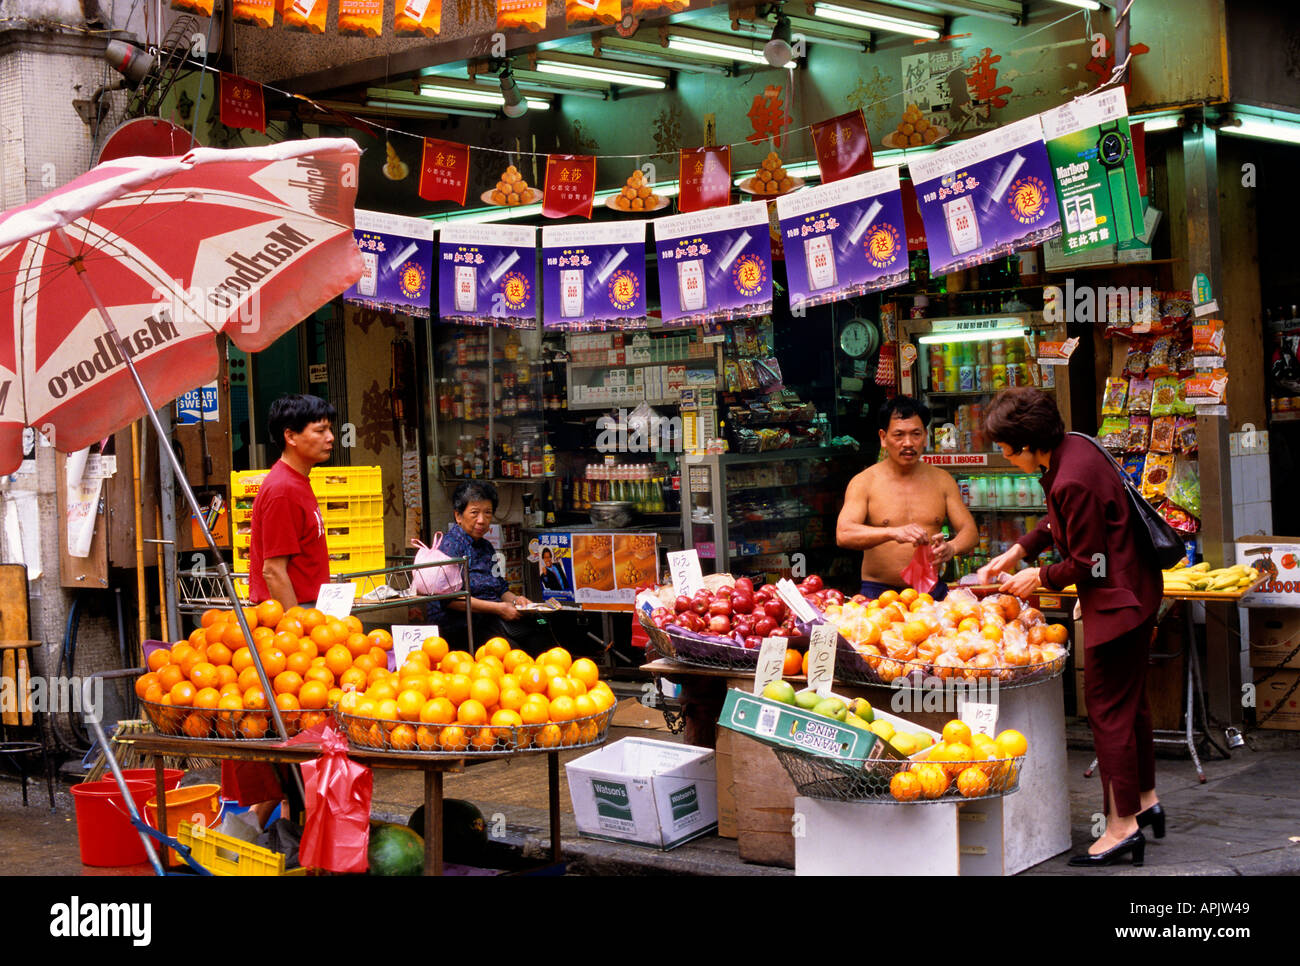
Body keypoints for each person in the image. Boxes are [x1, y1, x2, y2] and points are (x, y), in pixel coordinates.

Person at [976, 387, 1163, 868]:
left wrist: (1038, 577)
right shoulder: (1074, 448)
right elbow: (1062, 520)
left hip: (1119, 602)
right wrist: (1021, 550)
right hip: (1136, 591)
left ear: (1024, 444)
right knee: (1131, 703)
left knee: (1107, 711)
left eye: (1004, 447)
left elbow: (1087, 560)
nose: (1003, 455)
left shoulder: (1070, 479)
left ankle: (1121, 828)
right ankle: (1144, 799)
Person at [836, 396, 977, 601]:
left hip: (930, 591)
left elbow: (970, 532)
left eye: (916, 434)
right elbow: (844, 533)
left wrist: (951, 547)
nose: (908, 443)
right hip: (879, 593)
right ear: (883, 438)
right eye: (899, 435)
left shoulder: (942, 480)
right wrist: (893, 532)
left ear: (926, 436)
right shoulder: (864, 482)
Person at [426, 480, 556, 655]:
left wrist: (517, 601)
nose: (482, 520)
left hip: (491, 619)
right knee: (514, 654)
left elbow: (500, 588)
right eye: (474, 513)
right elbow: (450, 600)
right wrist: (499, 609)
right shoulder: (450, 547)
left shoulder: (486, 546)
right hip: (463, 626)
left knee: (541, 639)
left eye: (487, 513)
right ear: (458, 516)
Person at [247, 394, 335, 608]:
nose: (331, 437)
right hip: (293, 613)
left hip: (310, 608)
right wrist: (296, 626)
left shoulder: (297, 481)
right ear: (291, 436)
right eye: (320, 430)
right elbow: (273, 571)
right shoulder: (283, 490)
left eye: (330, 429)